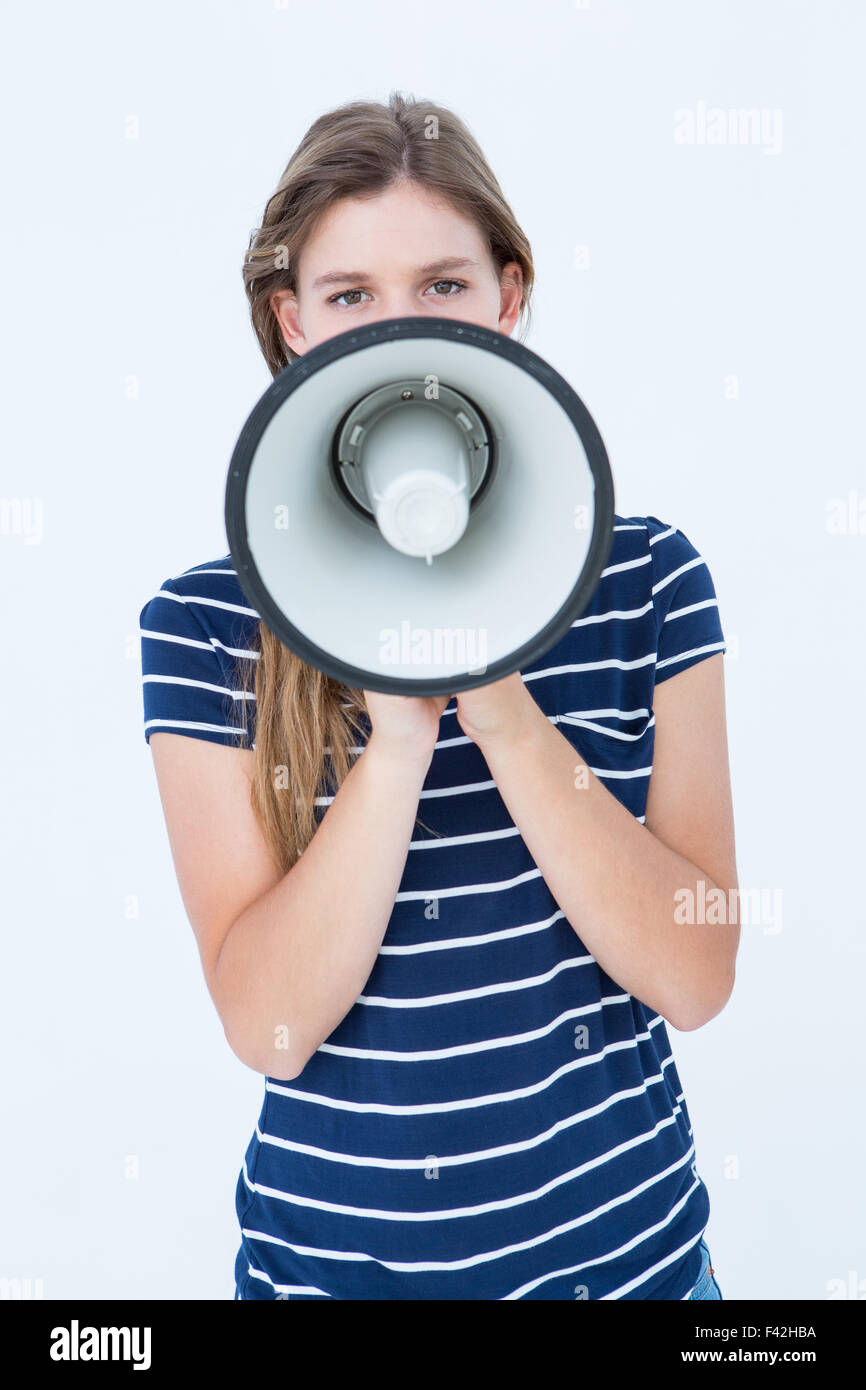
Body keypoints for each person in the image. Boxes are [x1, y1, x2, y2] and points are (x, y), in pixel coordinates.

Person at [138, 91, 737, 1300]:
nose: (397, 327)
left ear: (508, 299)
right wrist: (399, 732)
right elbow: (269, 1027)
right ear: (292, 320)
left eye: (444, 285)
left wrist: (498, 694)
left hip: (632, 1275)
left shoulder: (648, 580)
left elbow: (693, 977)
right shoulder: (205, 627)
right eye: (351, 295)